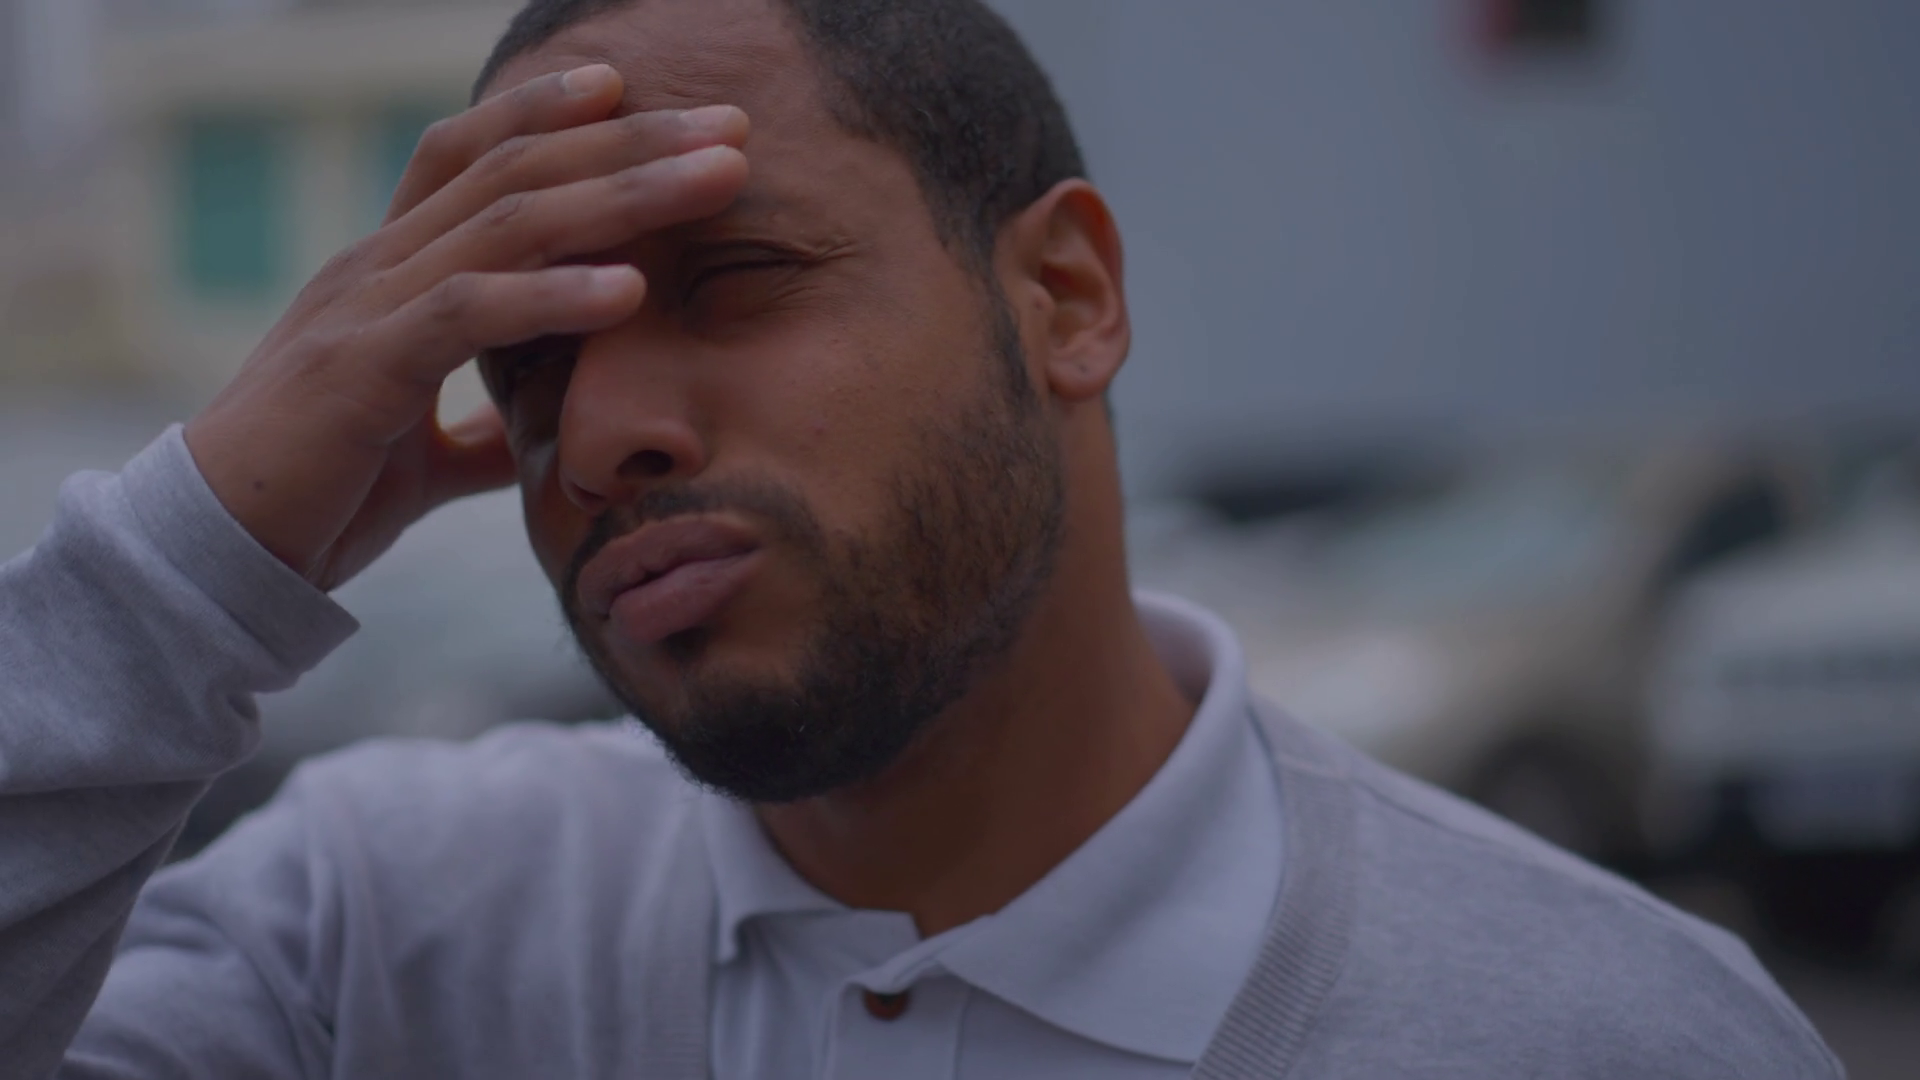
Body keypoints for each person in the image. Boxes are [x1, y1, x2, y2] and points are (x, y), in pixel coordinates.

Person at [0, 0, 1842, 1077]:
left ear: (1062, 296)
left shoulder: (1610, 1037)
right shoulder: (375, 937)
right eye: (525, 358)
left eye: (735, 280)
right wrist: (185, 563)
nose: (604, 433)